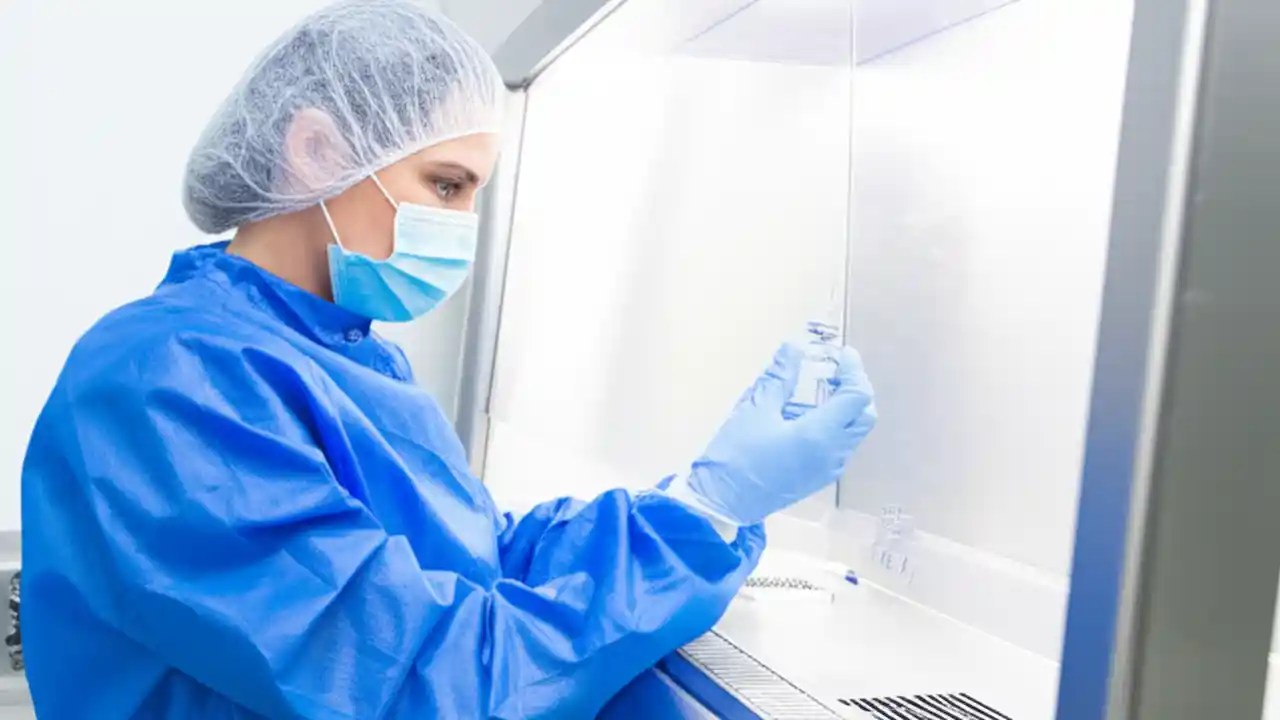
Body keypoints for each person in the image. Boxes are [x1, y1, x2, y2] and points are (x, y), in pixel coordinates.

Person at [19, 1, 877, 718]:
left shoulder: (347, 359)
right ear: (318, 150)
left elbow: (476, 557)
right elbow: (420, 682)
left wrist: (699, 501)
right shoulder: (167, 382)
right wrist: (715, 509)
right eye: (446, 185)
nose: (461, 224)